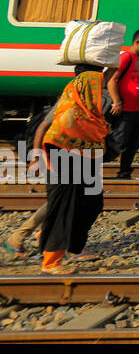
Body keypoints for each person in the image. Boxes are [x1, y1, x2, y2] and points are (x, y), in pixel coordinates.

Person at [32, 63, 115, 274]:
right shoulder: (70, 107)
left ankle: (67, 243)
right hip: (62, 159)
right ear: (89, 86)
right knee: (64, 208)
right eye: (98, 84)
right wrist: (35, 155)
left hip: (85, 161)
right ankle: (51, 262)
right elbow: (45, 127)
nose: (102, 86)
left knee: (93, 203)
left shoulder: (91, 109)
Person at [105, 29, 139, 179]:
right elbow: (111, 80)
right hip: (124, 110)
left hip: (135, 110)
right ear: (137, 42)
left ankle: (124, 172)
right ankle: (89, 167)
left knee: (133, 144)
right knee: (118, 143)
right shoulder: (126, 57)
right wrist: (116, 102)